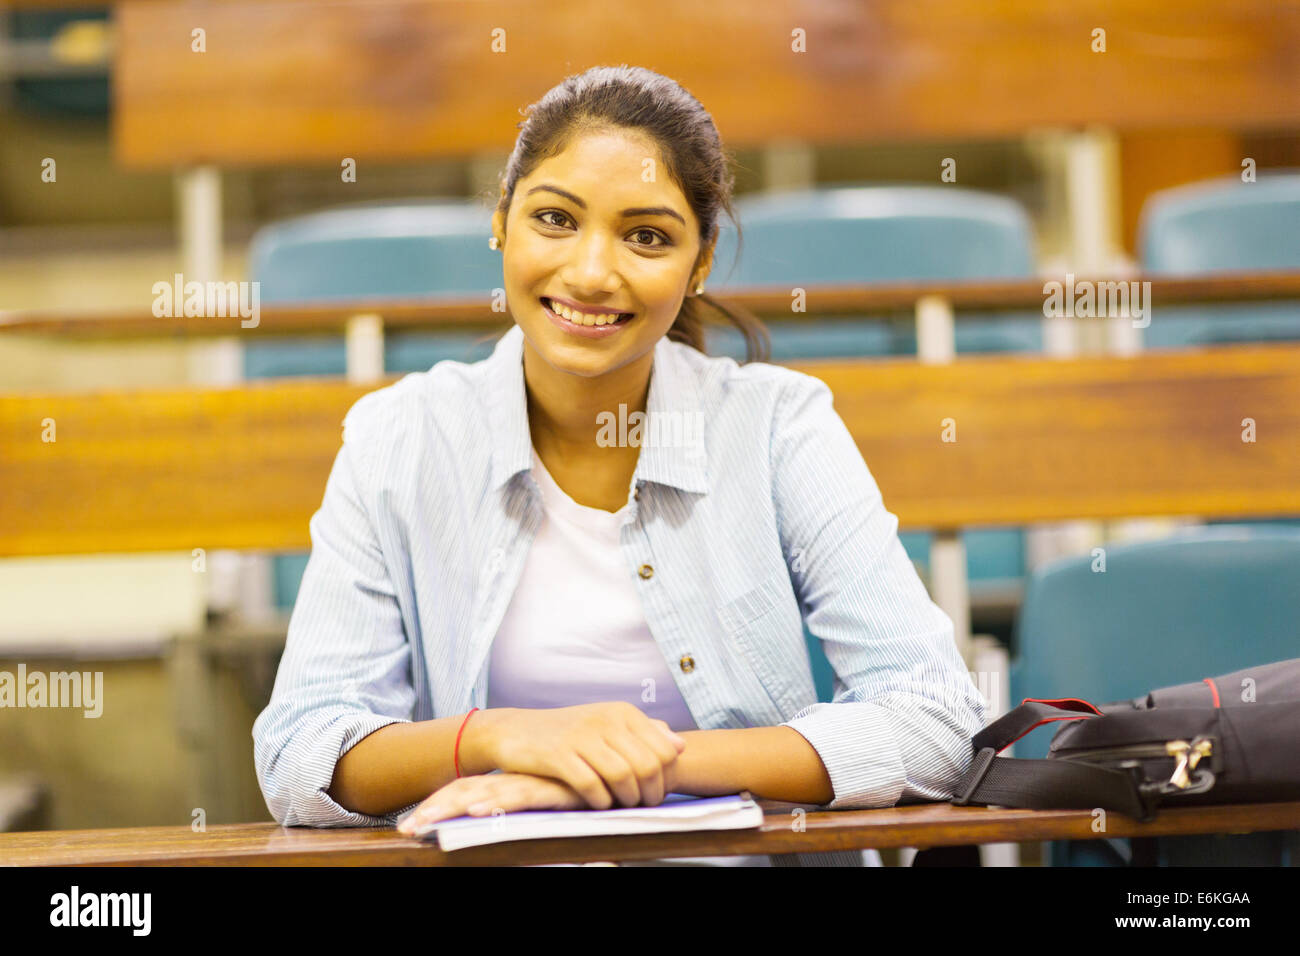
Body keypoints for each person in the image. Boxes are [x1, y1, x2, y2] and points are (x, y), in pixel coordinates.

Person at [252, 64, 987, 867]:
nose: (593, 271)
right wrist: (506, 739)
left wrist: (620, 771)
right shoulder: (401, 437)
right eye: (555, 219)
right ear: (501, 222)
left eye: (647, 236)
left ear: (700, 263)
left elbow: (938, 721)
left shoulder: (778, 427)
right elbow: (299, 753)